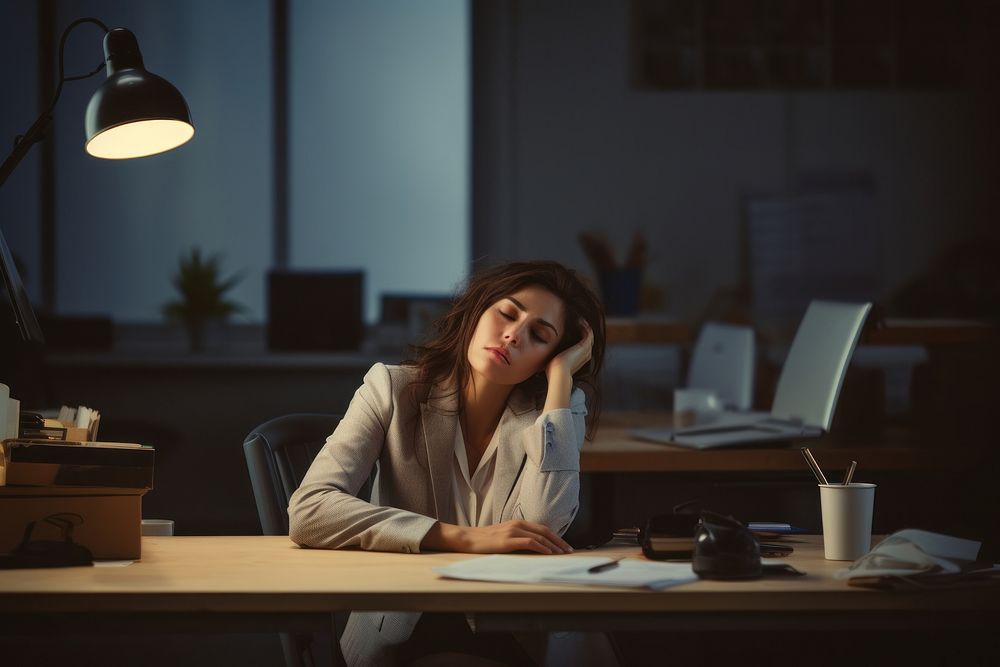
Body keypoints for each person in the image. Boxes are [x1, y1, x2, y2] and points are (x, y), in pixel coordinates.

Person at [288, 259, 607, 666]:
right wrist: (461, 537)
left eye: (540, 336)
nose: (512, 335)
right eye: (506, 314)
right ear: (477, 311)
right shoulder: (391, 388)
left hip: (507, 625)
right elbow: (309, 510)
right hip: (405, 625)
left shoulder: (555, 411)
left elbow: (543, 524)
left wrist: (561, 380)